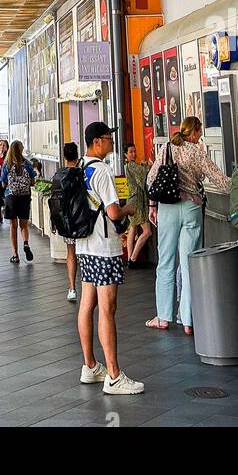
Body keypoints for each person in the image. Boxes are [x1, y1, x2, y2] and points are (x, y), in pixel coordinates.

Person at [76, 122, 145, 395]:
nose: (111, 142)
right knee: (108, 309)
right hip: (104, 247)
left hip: (84, 245)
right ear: (96, 142)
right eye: (108, 138)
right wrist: (130, 206)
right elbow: (114, 213)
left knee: (87, 305)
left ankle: (90, 366)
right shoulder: (102, 171)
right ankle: (114, 375)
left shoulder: (82, 167)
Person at [145, 115, 229, 334]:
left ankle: (163, 317)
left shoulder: (166, 149)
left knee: (166, 262)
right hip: (191, 208)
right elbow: (219, 179)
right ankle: (188, 320)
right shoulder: (197, 152)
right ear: (193, 132)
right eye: (199, 133)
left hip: (168, 208)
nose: (200, 137)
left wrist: (152, 205)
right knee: (189, 262)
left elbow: (151, 179)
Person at [51, 141, 80, 301]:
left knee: (71, 253)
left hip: (67, 221)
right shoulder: (81, 173)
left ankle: (72, 288)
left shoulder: (59, 175)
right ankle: (91, 285)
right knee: (86, 253)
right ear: (77, 154)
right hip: (83, 220)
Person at [0, 141, 37, 263]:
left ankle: (15, 255)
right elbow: (33, 181)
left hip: (11, 197)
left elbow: (3, 183)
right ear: (21, 149)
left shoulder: (7, 164)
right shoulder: (27, 163)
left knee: (13, 226)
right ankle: (25, 243)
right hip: (24, 197)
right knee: (24, 225)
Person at [122, 142, 151, 266]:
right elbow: (144, 175)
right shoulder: (132, 166)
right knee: (147, 231)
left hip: (132, 200)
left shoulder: (129, 166)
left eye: (134, 151)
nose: (133, 154)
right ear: (125, 154)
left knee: (132, 228)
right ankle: (133, 258)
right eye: (131, 152)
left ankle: (129, 258)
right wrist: (148, 165)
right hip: (138, 202)